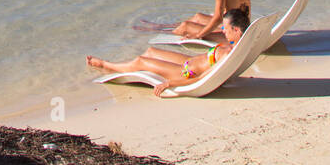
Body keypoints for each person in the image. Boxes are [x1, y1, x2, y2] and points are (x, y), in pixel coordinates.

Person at [87, 8, 250, 98]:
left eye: (225, 28)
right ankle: (112, 66)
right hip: (189, 61)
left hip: (186, 72)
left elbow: (202, 78)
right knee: (151, 51)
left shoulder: (229, 55)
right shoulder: (235, 47)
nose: (222, 30)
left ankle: (106, 66)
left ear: (236, 30)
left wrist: (169, 84)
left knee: (141, 61)